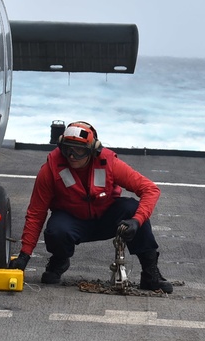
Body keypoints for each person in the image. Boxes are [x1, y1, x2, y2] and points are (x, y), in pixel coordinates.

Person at [9, 121, 173, 293]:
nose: (71, 156)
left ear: (92, 150)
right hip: (71, 221)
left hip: (107, 218)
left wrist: (137, 221)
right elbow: (36, 213)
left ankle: (150, 273)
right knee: (56, 230)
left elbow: (150, 189)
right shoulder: (50, 170)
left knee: (132, 208)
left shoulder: (109, 163)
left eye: (78, 150)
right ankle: (59, 260)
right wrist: (24, 255)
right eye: (67, 149)